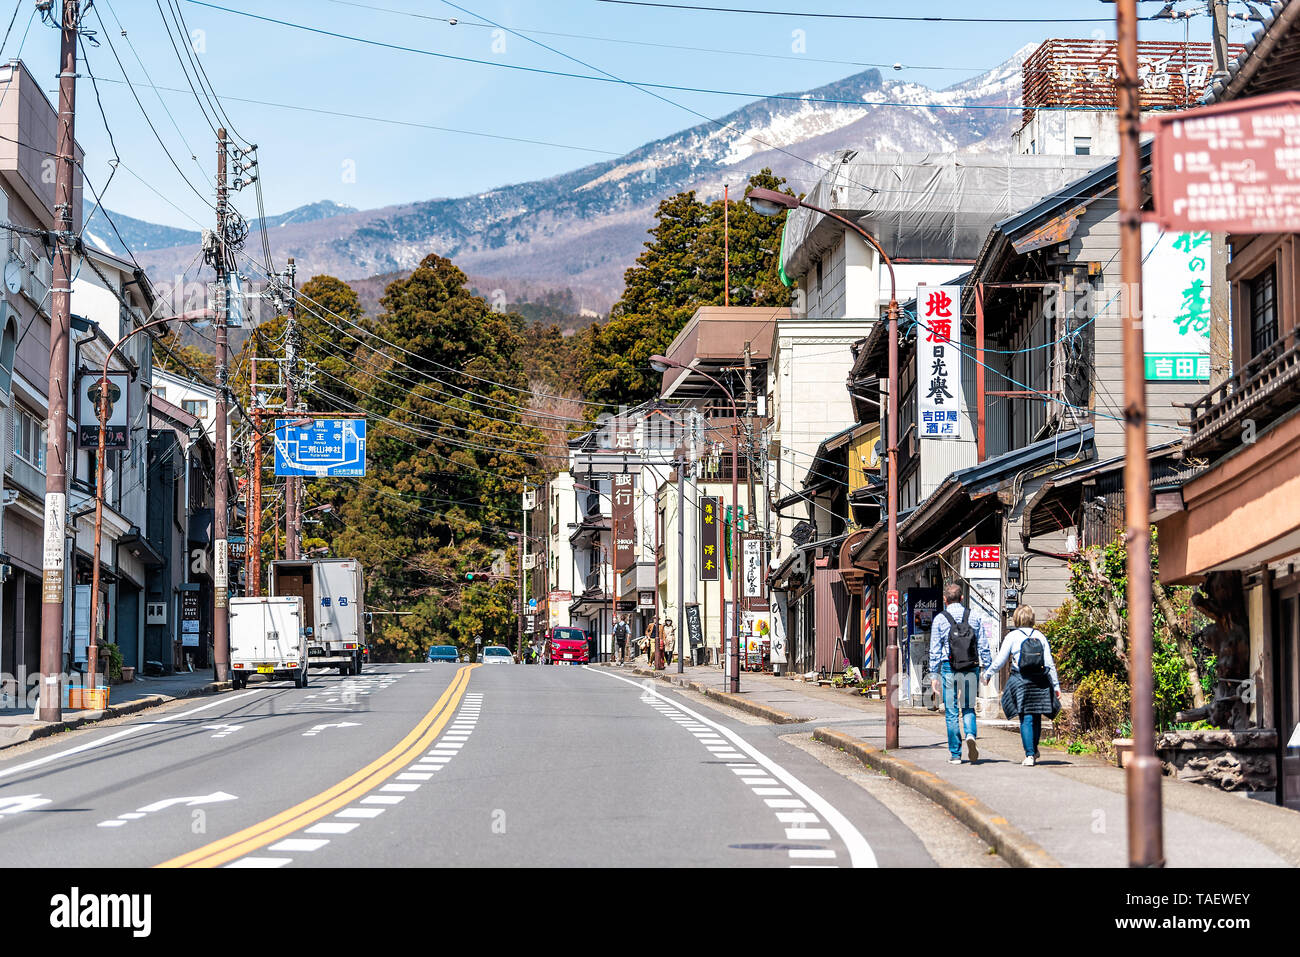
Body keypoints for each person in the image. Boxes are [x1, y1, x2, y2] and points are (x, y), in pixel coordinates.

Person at [929, 581, 996, 765]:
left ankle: (955, 754)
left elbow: (934, 649)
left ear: (945, 600)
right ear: (961, 598)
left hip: (948, 667)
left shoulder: (940, 619)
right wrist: (987, 670)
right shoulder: (974, 617)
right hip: (970, 666)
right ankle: (970, 735)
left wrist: (934, 675)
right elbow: (983, 644)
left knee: (951, 711)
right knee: (968, 706)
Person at [985, 604, 1061, 766]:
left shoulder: (1013, 636)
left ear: (1017, 618)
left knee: (1025, 717)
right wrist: (1056, 686)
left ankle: (1030, 754)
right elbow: (1049, 663)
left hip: (1021, 680)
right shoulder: (1040, 636)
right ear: (1032, 618)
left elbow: (1000, 660)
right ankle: (1034, 748)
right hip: (1040, 681)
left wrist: (988, 673)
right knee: (1037, 716)